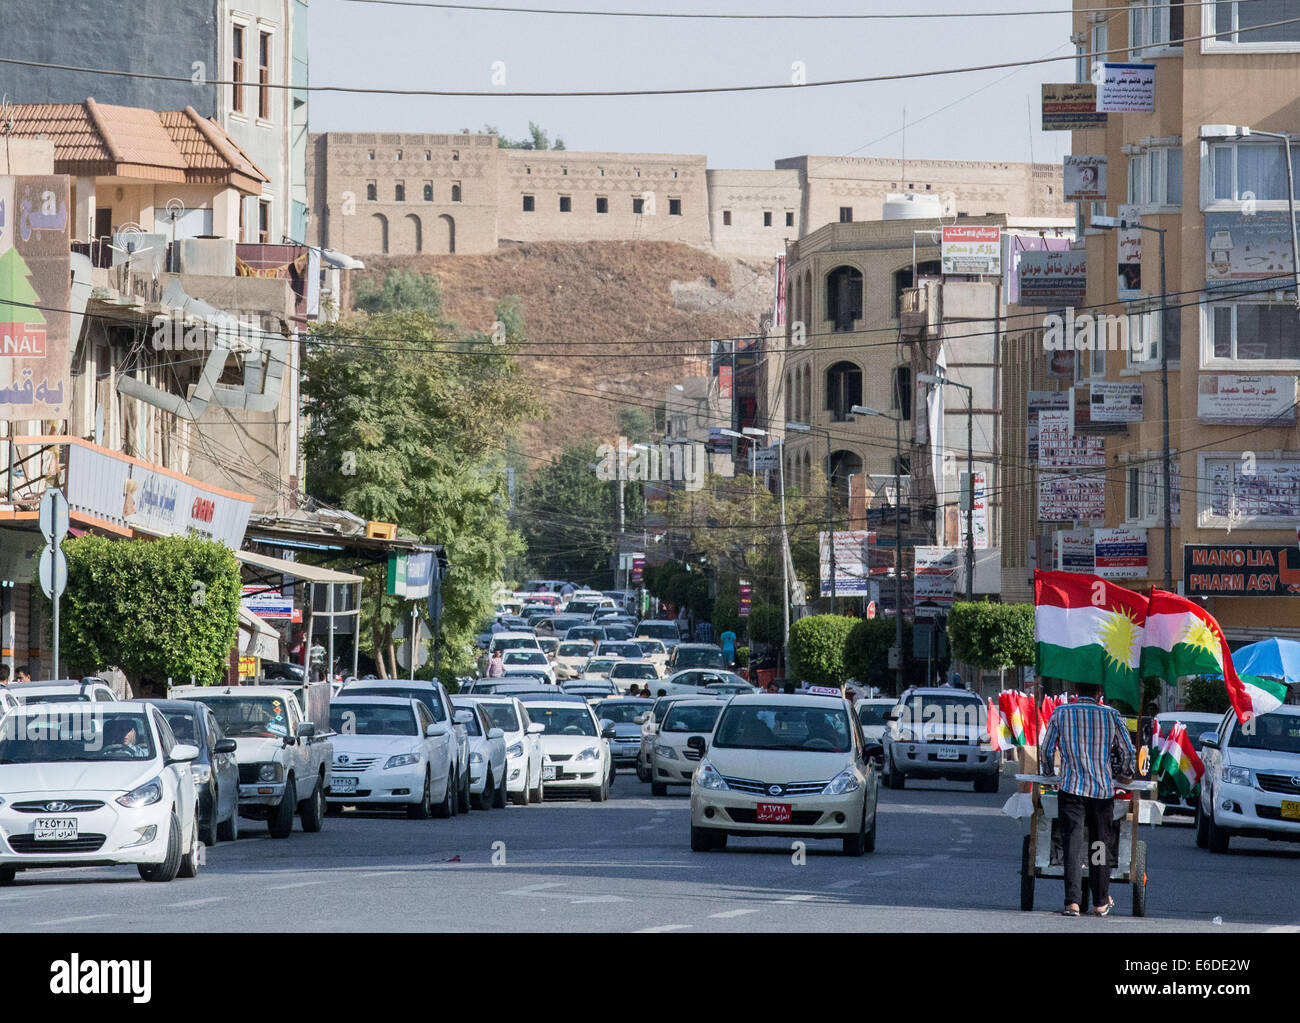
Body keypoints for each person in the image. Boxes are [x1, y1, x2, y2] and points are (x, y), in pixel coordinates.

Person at [1038, 681, 1136, 918]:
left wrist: (1049, 773)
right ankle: (1100, 901)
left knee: (1072, 845)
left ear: (1075, 690)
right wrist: (1125, 773)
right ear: (1099, 691)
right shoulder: (1111, 715)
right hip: (1102, 791)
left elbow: (1046, 748)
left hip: (1071, 788)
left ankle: (1072, 902)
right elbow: (1128, 751)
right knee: (1098, 845)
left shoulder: (1061, 712)